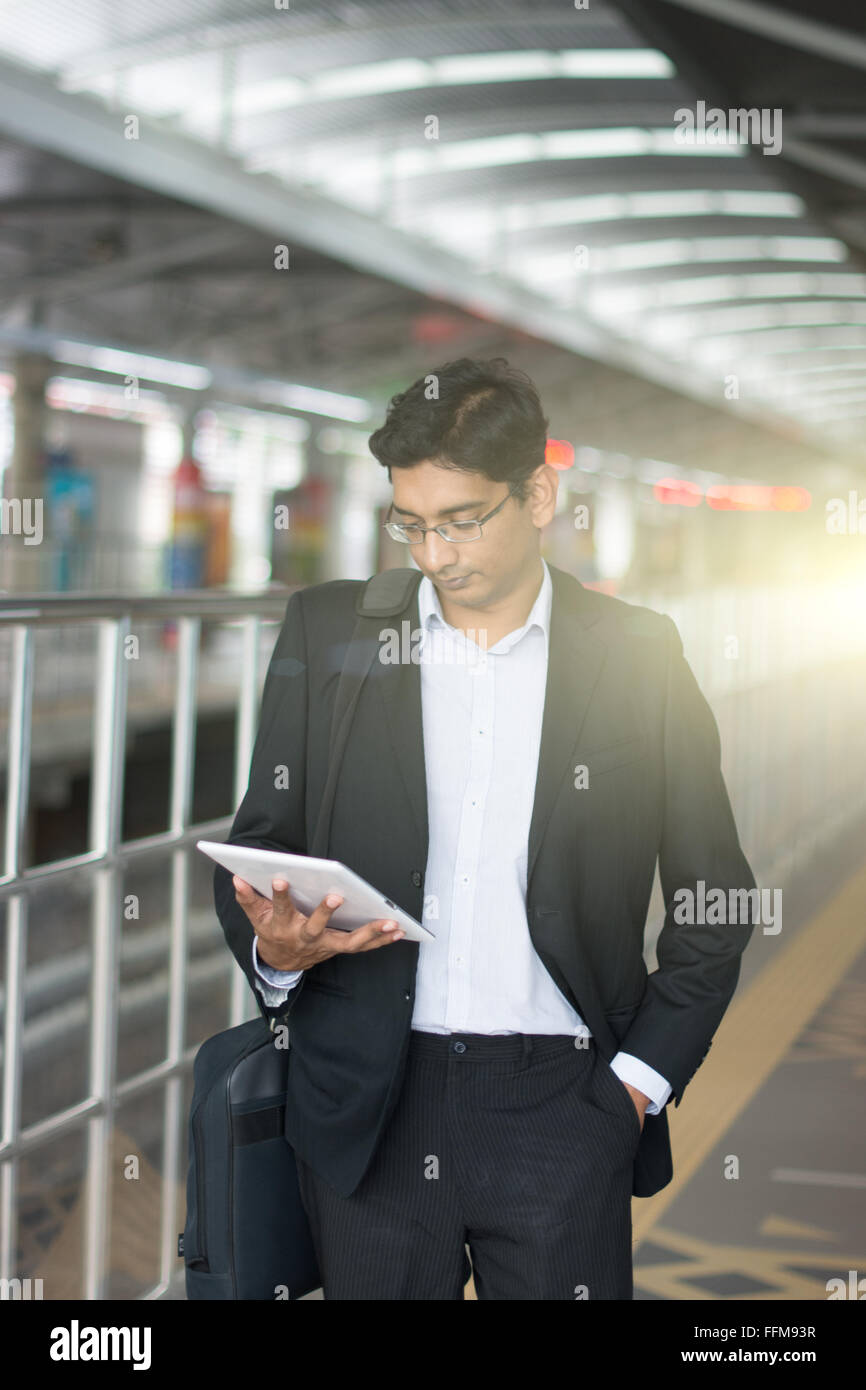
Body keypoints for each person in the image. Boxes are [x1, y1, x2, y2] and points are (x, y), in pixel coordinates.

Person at [214, 357, 756, 1300]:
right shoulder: (331, 635)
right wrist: (275, 951)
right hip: (369, 1111)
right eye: (410, 524)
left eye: (462, 522)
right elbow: (266, 840)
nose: (434, 554)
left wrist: (634, 1087)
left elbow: (716, 896)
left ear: (539, 493)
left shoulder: (637, 658)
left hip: (564, 1106)